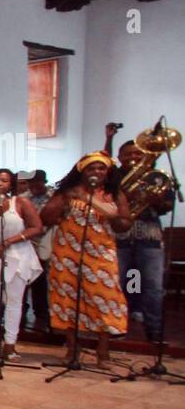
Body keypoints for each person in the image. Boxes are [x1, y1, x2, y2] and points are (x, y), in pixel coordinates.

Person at [41, 151, 132, 366]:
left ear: (108, 172)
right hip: (68, 255)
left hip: (101, 255)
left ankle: (103, 352)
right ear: (82, 171)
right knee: (68, 300)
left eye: (101, 168)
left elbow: (124, 224)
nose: (97, 172)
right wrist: (64, 200)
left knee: (106, 299)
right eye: (92, 168)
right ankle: (73, 349)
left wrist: (105, 209)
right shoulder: (68, 192)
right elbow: (46, 218)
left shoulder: (113, 193)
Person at [106, 125, 172, 343]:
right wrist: (109, 138)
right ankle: (118, 328)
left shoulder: (157, 177)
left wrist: (158, 201)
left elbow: (167, 206)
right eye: (128, 154)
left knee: (153, 287)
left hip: (149, 237)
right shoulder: (113, 178)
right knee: (120, 283)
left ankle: (154, 332)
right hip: (120, 238)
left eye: (137, 153)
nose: (133, 157)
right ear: (120, 157)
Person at [0, 169, 43, 360]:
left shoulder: (20, 203)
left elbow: (37, 227)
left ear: (11, 184)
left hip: (17, 257)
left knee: (14, 301)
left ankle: (10, 345)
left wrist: (11, 240)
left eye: (4, 180)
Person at [17, 169, 54, 332]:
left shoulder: (54, 197)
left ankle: (42, 316)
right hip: (25, 242)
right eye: (32, 182)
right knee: (22, 280)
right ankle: (21, 313)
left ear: (44, 182)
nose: (35, 186)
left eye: (38, 182)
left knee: (41, 281)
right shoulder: (22, 199)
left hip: (46, 241)